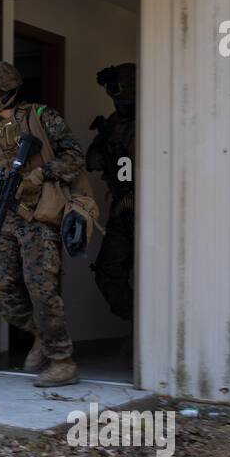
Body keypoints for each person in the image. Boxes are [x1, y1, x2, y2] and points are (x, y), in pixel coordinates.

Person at [0, 61, 85, 387]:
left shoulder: (40, 117)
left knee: (41, 287)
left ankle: (63, 361)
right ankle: (40, 332)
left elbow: (75, 156)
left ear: (4, 90)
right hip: (2, 219)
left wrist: (43, 173)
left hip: (38, 216)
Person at [86, 63, 135, 320]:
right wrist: (104, 144)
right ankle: (140, 325)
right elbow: (91, 160)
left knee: (160, 277)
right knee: (108, 274)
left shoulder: (157, 120)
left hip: (153, 210)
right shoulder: (115, 123)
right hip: (121, 210)